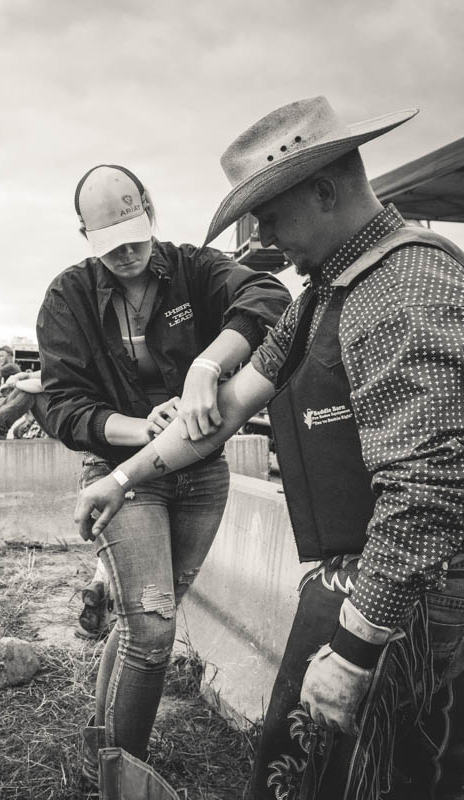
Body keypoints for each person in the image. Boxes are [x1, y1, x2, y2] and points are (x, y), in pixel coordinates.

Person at [74, 98, 464, 800]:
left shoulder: (405, 292)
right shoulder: (327, 291)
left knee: (408, 772)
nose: (264, 238)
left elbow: (429, 495)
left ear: (324, 191)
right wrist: (125, 477)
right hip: (365, 583)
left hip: (407, 596)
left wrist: (353, 650)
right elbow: (226, 412)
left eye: (271, 216)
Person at [38, 163, 291, 792]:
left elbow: (269, 297)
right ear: (84, 234)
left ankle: (105, 748)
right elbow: (60, 403)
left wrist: (208, 362)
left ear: (149, 209)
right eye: (109, 242)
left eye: (133, 234)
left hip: (202, 475)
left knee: (140, 620)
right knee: (153, 630)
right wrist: (139, 426)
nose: (125, 253)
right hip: (124, 471)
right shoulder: (68, 296)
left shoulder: (193, 268)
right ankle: (124, 779)